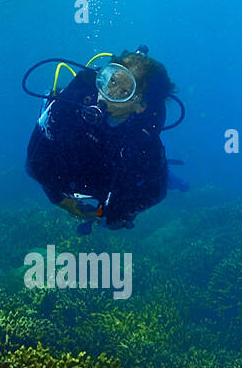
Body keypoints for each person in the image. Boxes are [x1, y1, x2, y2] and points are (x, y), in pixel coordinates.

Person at [25, 48, 174, 232]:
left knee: (158, 181)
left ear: (140, 106)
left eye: (124, 91)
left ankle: (175, 179)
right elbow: (35, 161)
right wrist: (60, 200)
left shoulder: (143, 140)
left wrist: (116, 213)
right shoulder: (72, 102)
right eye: (112, 81)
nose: (108, 93)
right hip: (75, 173)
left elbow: (154, 193)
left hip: (108, 180)